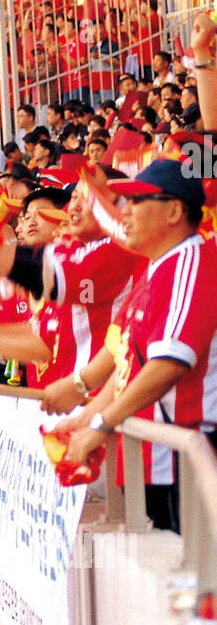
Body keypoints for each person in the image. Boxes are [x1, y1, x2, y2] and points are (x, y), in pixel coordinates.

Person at [49, 161, 217, 531]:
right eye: (122, 202)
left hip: (187, 459)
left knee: (196, 579)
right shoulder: (156, 267)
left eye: (136, 202)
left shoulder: (192, 261)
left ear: (174, 211)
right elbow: (128, 360)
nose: (123, 212)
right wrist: (85, 413)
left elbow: (167, 365)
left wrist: (101, 422)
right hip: (155, 459)